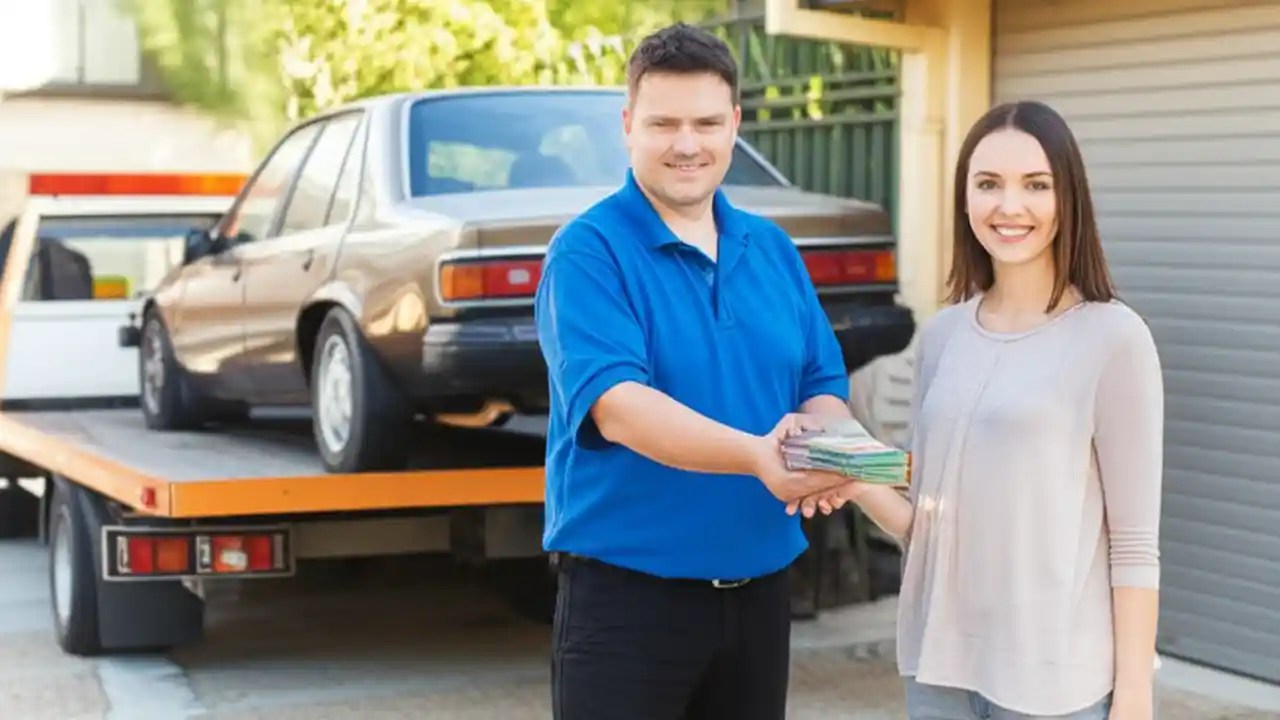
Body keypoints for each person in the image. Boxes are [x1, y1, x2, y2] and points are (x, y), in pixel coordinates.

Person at [800, 100, 1165, 719]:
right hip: (940, 671)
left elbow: (1134, 543)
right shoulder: (942, 336)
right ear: (965, 199)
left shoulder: (1113, 338)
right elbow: (929, 519)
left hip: (1056, 685)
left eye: (1036, 185)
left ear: (1066, 198)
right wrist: (854, 474)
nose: (1010, 206)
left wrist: (1134, 694)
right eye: (988, 183)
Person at [532, 22, 856, 720]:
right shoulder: (588, 253)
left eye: (707, 122)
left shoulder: (770, 249)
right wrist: (759, 457)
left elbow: (821, 390)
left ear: (735, 123)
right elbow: (619, 407)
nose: (688, 143)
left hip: (762, 598)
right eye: (664, 123)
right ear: (627, 125)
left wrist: (846, 465)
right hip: (628, 606)